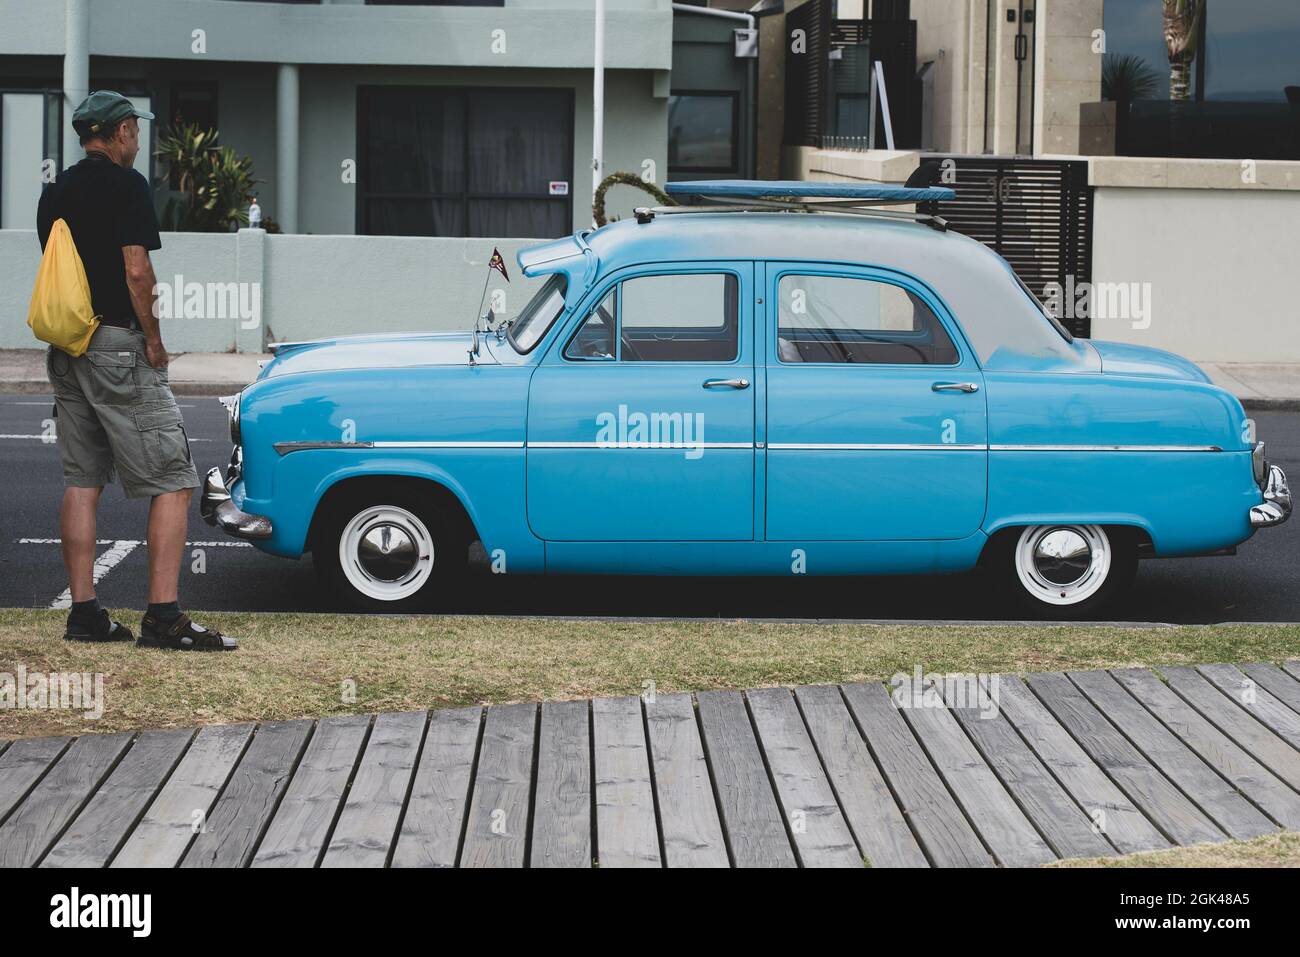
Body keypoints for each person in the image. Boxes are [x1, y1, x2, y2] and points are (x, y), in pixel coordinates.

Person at [37, 91, 237, 651]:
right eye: (136, 130)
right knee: (173, 477)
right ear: (121, 131)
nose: (139, 140)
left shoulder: (54, 194)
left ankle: (84, 614)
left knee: (82, 480)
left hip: (69, 347)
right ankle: (164, 618)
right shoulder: (127, 187)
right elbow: (136, 271)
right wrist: (154, 340)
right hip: (118, 344)